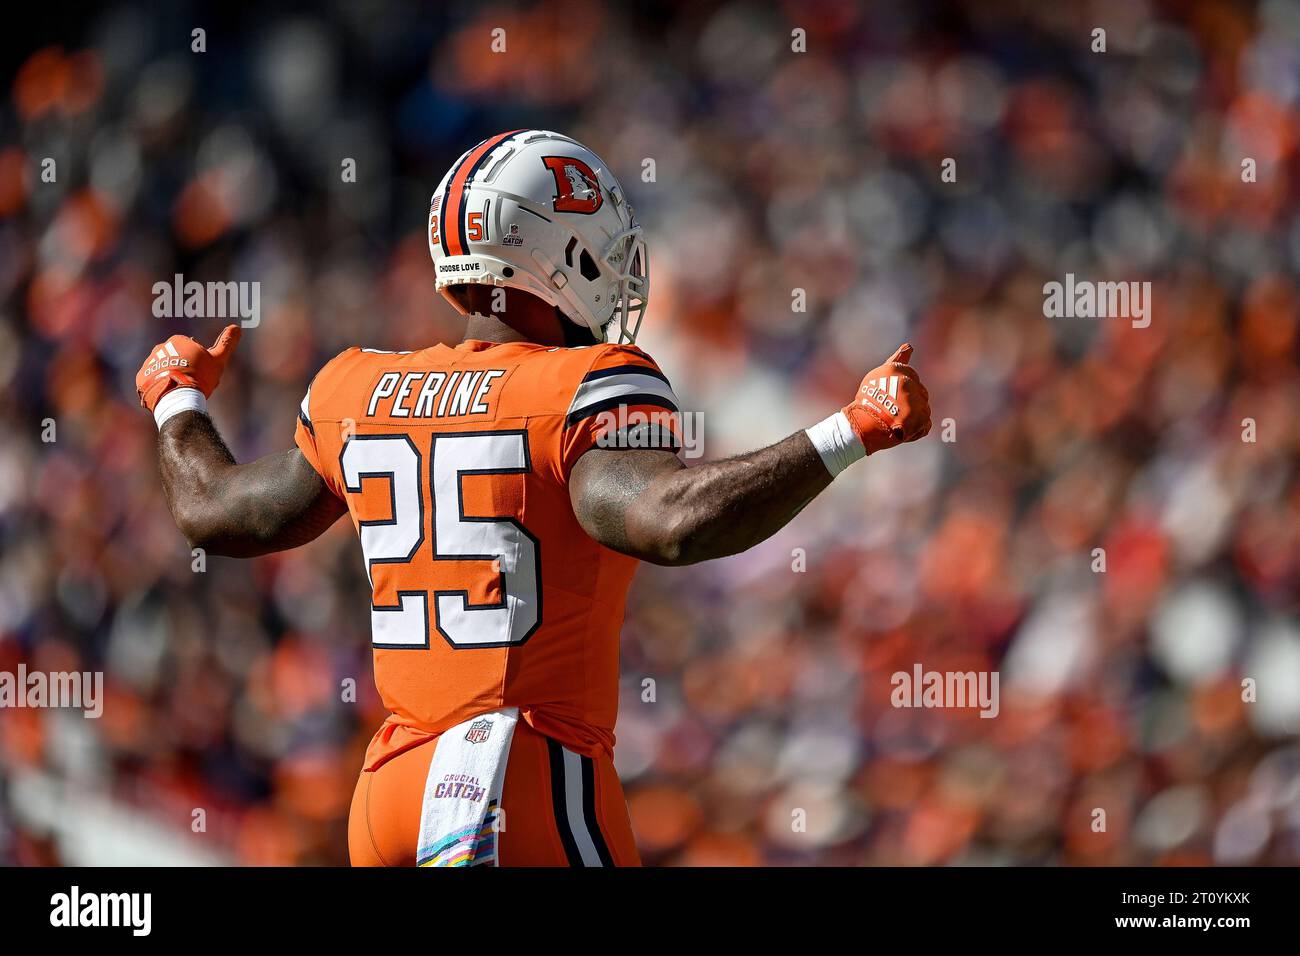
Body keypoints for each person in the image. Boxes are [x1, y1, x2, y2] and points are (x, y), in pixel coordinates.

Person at [134, 129, 931, 866]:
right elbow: (670, 522)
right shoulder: (583, 383)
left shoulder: (357, 385)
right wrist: (853, 429)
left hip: (388, 793)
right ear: (559, 254)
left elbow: (217, 512)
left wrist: (177, 399)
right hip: (522, 775)